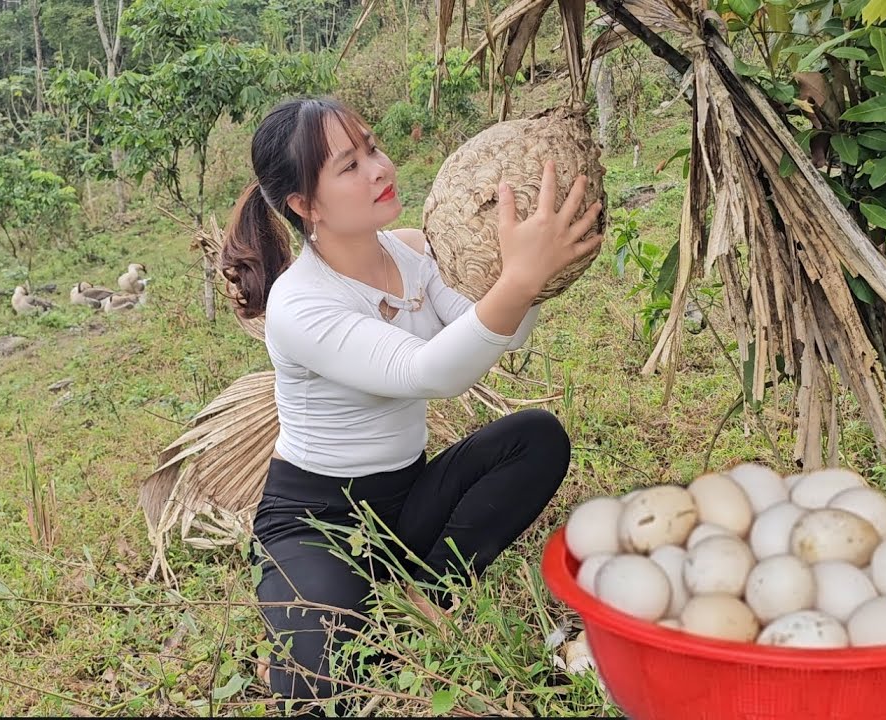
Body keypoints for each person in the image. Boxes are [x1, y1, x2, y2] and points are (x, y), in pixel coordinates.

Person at [219, 96, 603, 715]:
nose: (379, 168)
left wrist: (524, 273)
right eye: (349, 166)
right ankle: (331, 621)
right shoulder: (300, 304)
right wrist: (518, 281)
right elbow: (427, 372)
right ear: (304, 206)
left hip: (405, 498)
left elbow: (489, 331)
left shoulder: (410, 253)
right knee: (321, 695)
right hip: (318, 521)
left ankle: (428, 594)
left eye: (372, 147)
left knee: (536, 438)